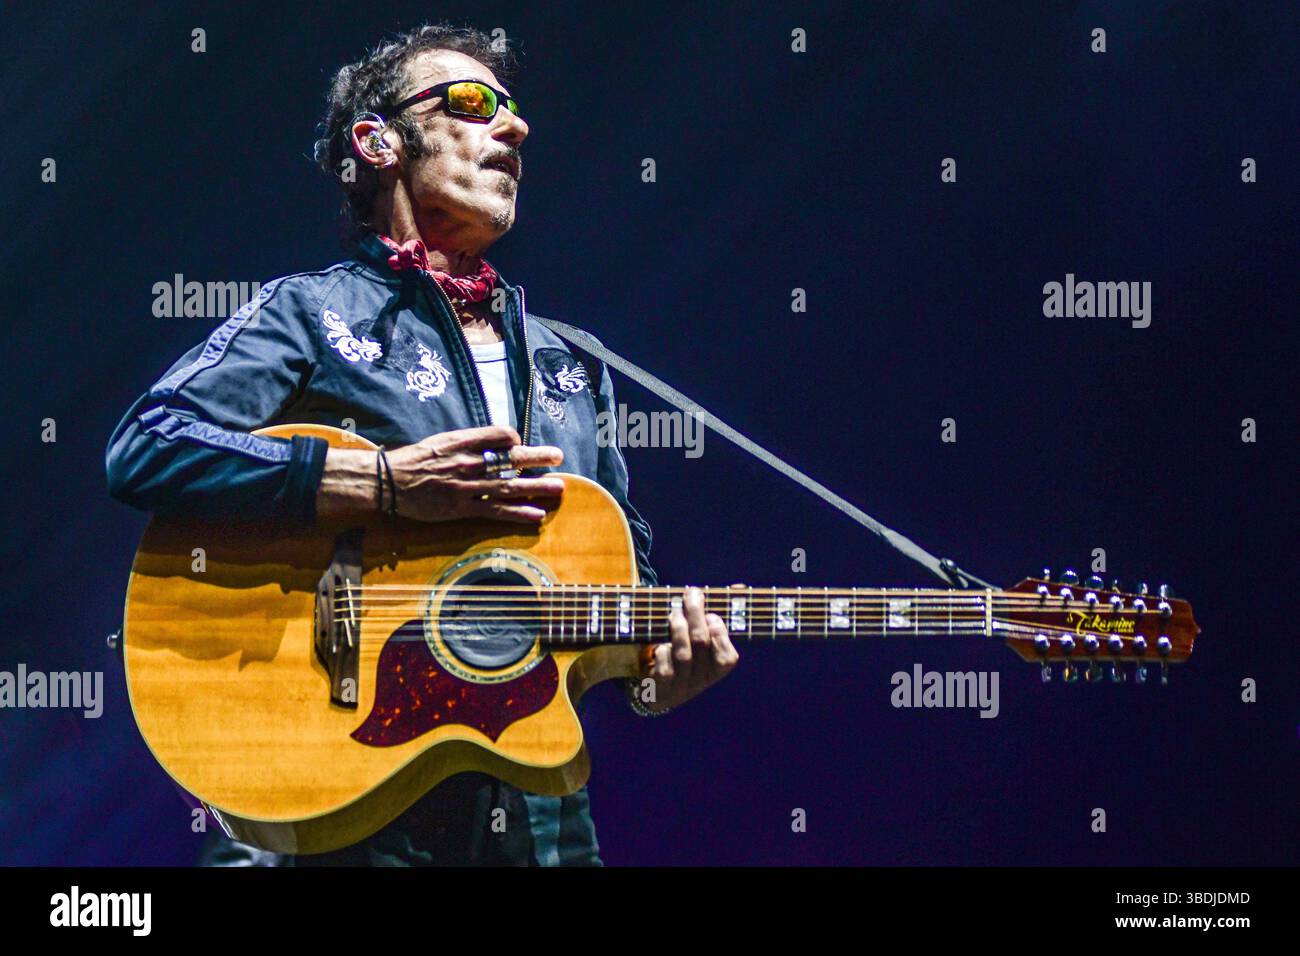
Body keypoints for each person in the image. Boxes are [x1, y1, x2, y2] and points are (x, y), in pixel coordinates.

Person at [105, 23, 738, 866]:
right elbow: (146, 445)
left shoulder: (572, 363)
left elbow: (627, 594)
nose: (515, 129)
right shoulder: (309, 313)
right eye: (473, 104)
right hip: (329, 806)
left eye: (514, 113)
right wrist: (379, 484)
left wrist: (660, 676)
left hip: (535, 822)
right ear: (376, 143)